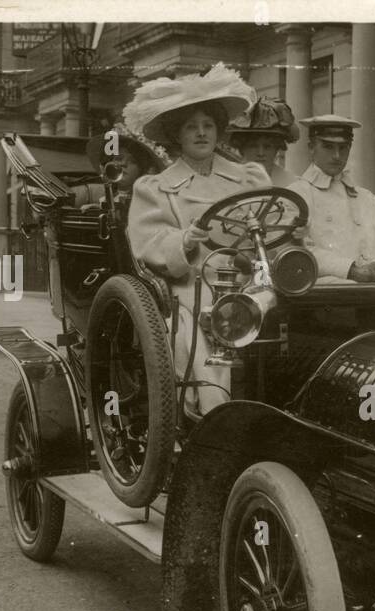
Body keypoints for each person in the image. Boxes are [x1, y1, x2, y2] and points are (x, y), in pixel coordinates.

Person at [122, 63, 271, 417]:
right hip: (190, 287)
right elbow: (146, 243)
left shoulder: (248, 177)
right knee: (203, 325)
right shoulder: (156, 187)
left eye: (208, 126)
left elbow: (270, 225)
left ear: (218, 131)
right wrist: (184, 240)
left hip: (249, 279)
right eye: (192, 127)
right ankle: (213, 417)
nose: (201, 133)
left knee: (276, 304)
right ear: (178, 135)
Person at [287, 114, 375, 284]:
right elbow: (298, 251)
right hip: (324, 284)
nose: (337, 155)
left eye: (343, 148)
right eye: (328, 147)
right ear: (311, 147)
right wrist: (350, 270)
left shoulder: (366, 198)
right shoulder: (296, 195)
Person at [85, 123, 168, 214]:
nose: (123, 164)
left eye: (133, 161)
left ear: (142, 169)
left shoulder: (145, 199)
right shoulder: (109, 196)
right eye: (118, 158)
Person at [226, 98, 300, 187]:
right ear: (242, 148)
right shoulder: (228, 180)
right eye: (253, 146)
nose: (261, 153)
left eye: (267, 147)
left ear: (277, 149)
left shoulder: (293, 184)